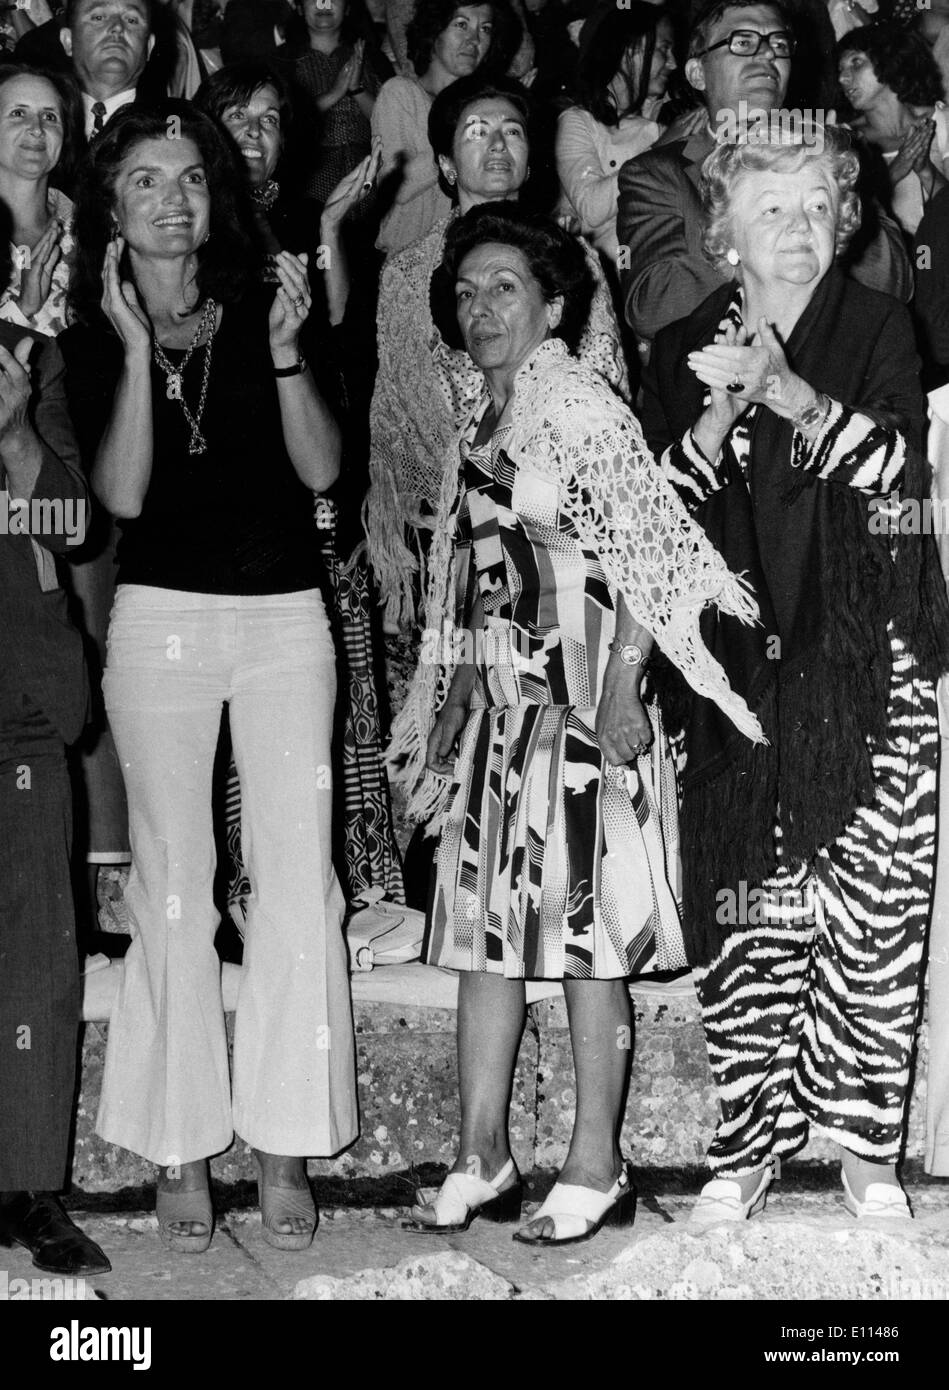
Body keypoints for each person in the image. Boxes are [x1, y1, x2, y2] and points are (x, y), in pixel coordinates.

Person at [395, 202, 762, 1243]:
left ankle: (595, 1164)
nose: (481, 308)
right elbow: (476, 568)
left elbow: (653, 548)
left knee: (588, 943)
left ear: (552, 304)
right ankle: (482, 1152)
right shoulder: (479, 415)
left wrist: (626, 686)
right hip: (506, 715)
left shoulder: (580, 404)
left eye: (504, 287)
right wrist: (460, 680)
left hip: (589, 703)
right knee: (486, 944)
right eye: (467, 292)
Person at [61, 100, 358, 1253]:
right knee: (175, 887)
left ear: (214, 191)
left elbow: (325, 471)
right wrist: (135, 351)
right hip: (164, 624)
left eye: (190, 176)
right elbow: (123, 498)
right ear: (113, 204)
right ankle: (180, 1147)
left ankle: (283, 1142)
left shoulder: (275, 299)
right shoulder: (92, 330)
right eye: (145, 179)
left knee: (298, 885)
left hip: (284, 615)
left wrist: (287, 352)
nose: (172, 198)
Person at [641, 124, 949, 1225]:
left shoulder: (877, 330)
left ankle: (866, 1148)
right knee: (748, 908)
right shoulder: (682, 344)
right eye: (772, 210)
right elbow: (656, 527)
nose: (800, 231)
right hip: (738, 673)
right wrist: (717, 421)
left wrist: (800, 404)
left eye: (819, 206)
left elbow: (902, 490)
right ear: (724, 233)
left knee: (871, 912)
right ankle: (748, 1144)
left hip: (869, 660)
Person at [195, 61, 404, 909]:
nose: (254, 132)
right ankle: (245, 890)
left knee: (337, 684)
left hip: (313, 480)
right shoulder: (188, 228)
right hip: (228, 505)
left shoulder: (292, 224)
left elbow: (340, 336)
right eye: (237, 116)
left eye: (270, 119)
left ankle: (350, 887)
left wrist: (326, 225)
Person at [366, 71, 628, 633]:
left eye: (512, 132)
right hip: (445, 527)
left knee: (552, 690)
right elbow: (398, 398)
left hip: (557, 516)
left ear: (531, 162)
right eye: (477, 131)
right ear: (445, 163)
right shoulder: (408, 272)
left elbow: (602, 376)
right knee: (459, 704)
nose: (497, 144)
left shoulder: (575, 258)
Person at [0, 211, 110, 1278]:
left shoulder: (31, 363)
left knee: (38, 958)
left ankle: (30, 1184)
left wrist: (17, 437)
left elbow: (74, 525)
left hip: (22, 696)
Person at [616, 0, 912, 346]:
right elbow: (652, 307)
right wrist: (769, 249)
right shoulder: (656, 173)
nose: (768, 55)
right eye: (742, 42)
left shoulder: (828, 155)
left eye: (779, 44)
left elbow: (895, 282)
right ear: (698, 73)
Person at [370, 0, 521, 254]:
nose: (474, 39)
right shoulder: (400, 93)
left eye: (485, 29)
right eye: (461, 24)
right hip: (408, 257)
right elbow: (397, 186)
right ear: (434, 31)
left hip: (471, 256)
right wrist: (458, 140)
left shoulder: (484, 107)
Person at [555, 2, 676, 267]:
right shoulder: (579, 121)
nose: (673, 63)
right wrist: (662, 150)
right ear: (627, 51)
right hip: (608, 283)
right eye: (663, 50)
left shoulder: (662, 125)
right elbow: (592, 207)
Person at [838, 22, 948, 235]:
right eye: (840, 69)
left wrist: (926, 170)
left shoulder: (941, 120)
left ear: (890, 62)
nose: (843, 78)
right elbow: (844, 219)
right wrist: (896, 170)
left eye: (856, 62)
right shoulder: (846, 138)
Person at [0, 64, 82, 337]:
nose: (36, 129)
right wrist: (22, 309)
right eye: (18, 113)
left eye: (49, 116)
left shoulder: (89, 232)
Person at [284, 0, 391, 208]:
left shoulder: (373, 58)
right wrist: (334, 94)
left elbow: (392, 121)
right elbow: (284, 122)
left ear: (348, 7)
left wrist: (357, 90)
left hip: (372, 184)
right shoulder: (284, 61)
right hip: (309, 188)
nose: (324, 5)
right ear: (299, 7)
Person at [59, 0, 156, 139]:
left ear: (149, 46)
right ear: (68, 41)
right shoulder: (46, 121)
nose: (117, 27)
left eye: (131, 20)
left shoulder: (174, 126)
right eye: (98, 18)